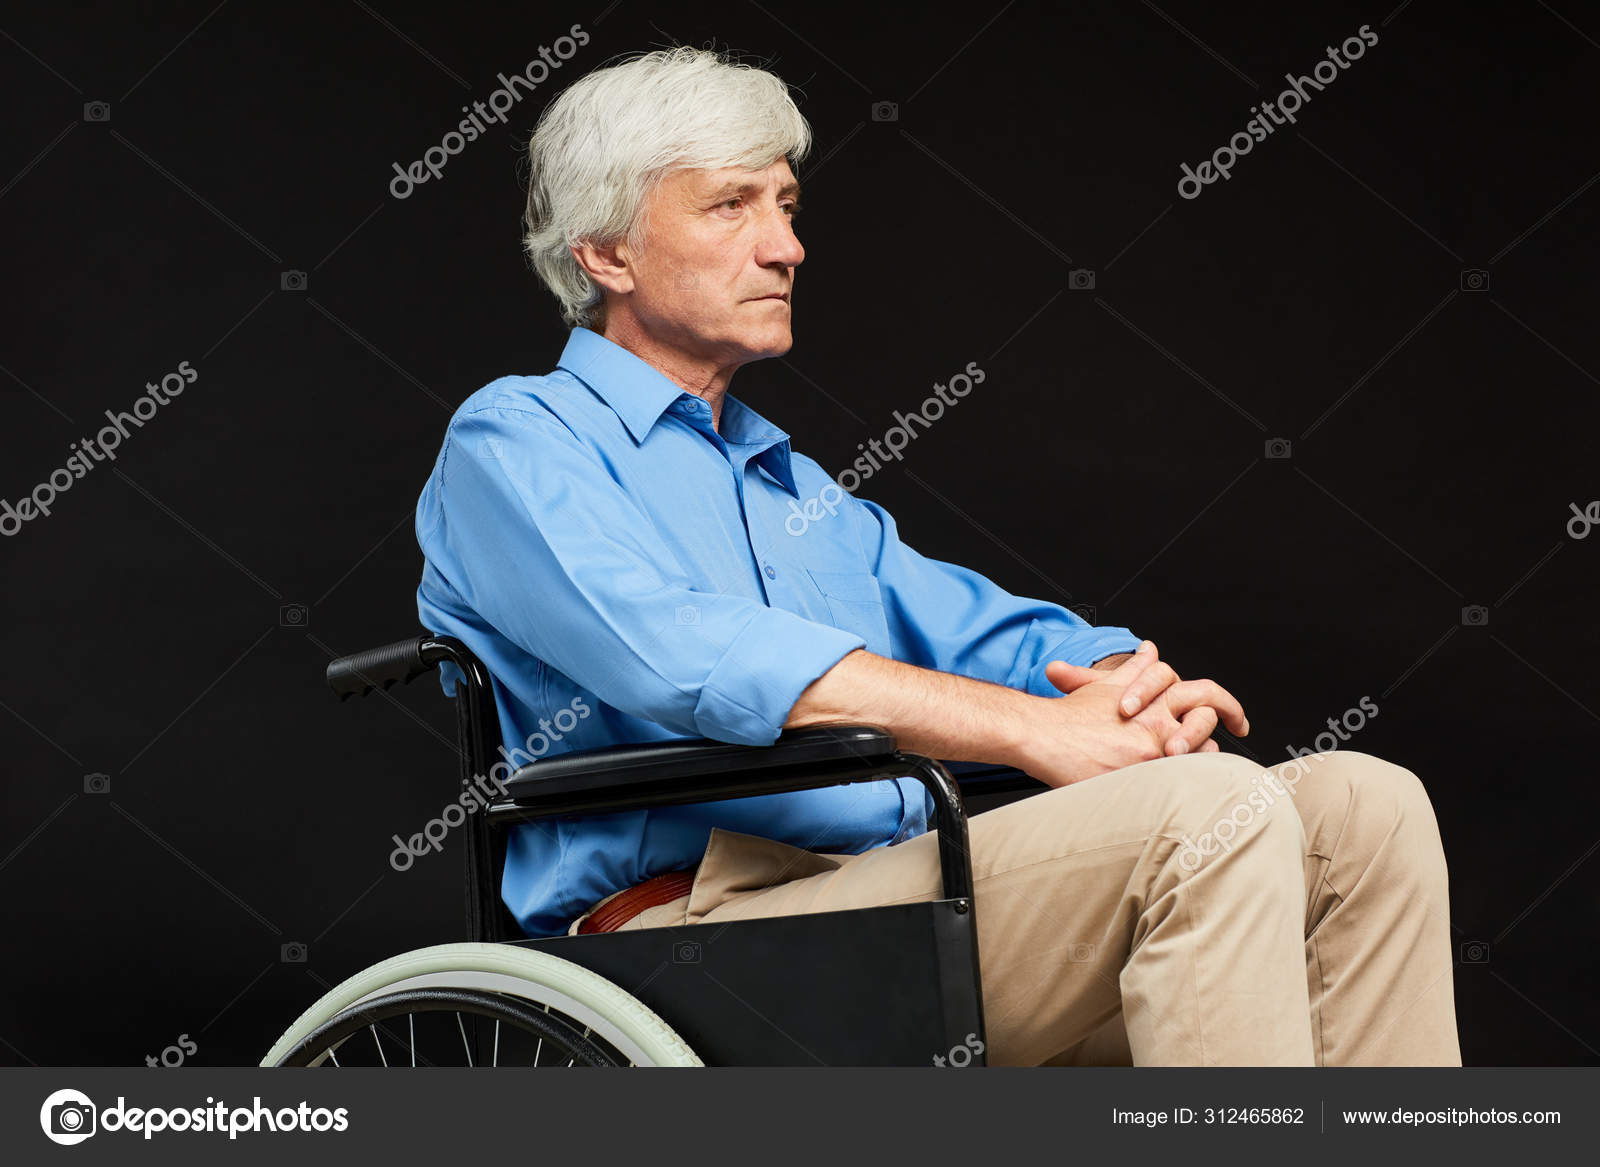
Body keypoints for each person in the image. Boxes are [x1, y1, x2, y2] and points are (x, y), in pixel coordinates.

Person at [414, 46, 1460, 1066]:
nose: (785, 247)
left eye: (785, 206)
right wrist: (1038, 733)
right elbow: (680, 653)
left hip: (891, 889)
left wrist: (1116, 695)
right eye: (731, 206)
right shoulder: (516, 440)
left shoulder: (787, 483)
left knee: (1363, 807)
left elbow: (973, 629)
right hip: (695, 929)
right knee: (1209, 812)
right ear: (606, 252)